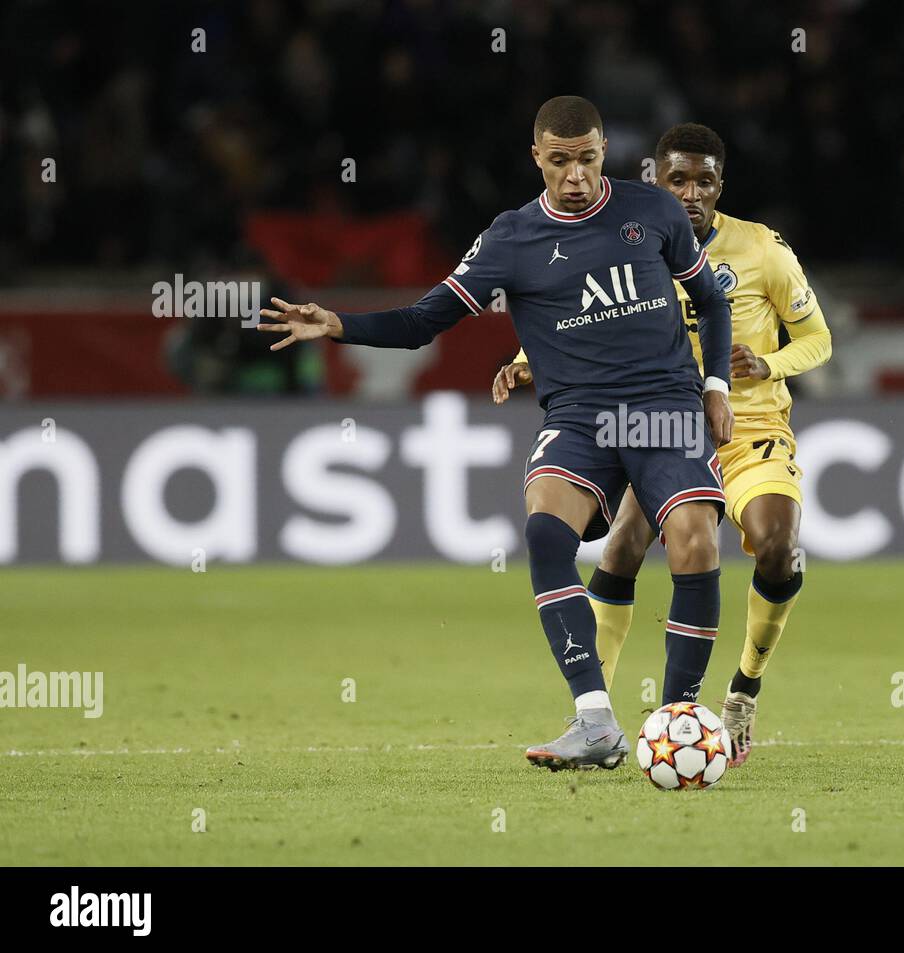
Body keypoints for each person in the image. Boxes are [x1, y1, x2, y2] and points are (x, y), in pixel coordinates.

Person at [258, 96, 734, 772]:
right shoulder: (511, 239)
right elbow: (425, 320)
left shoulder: (652, 211)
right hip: (580, 417)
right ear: (537, 156)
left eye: (589, 159)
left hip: (664, 408)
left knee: (693, 540)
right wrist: (340, 324)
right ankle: (594, 721)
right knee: (545, 530)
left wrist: (715, 387)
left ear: (606, 155)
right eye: (561, 161)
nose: (576, 175)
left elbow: (712, 300)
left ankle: (680, 717)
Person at [494, 123, 831, 765]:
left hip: (745, 427)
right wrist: (523, 358)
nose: (692, 193)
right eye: (678, 179)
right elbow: (585, 312)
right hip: (660, 424)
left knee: (777, 547)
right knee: (619, 550)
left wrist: (769, 365)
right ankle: (594, 721)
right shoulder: (628, 235)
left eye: (705, 181)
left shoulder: (763, 251)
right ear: (655, 179)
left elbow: (820, 339)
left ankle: (740, 691)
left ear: (721, 185)